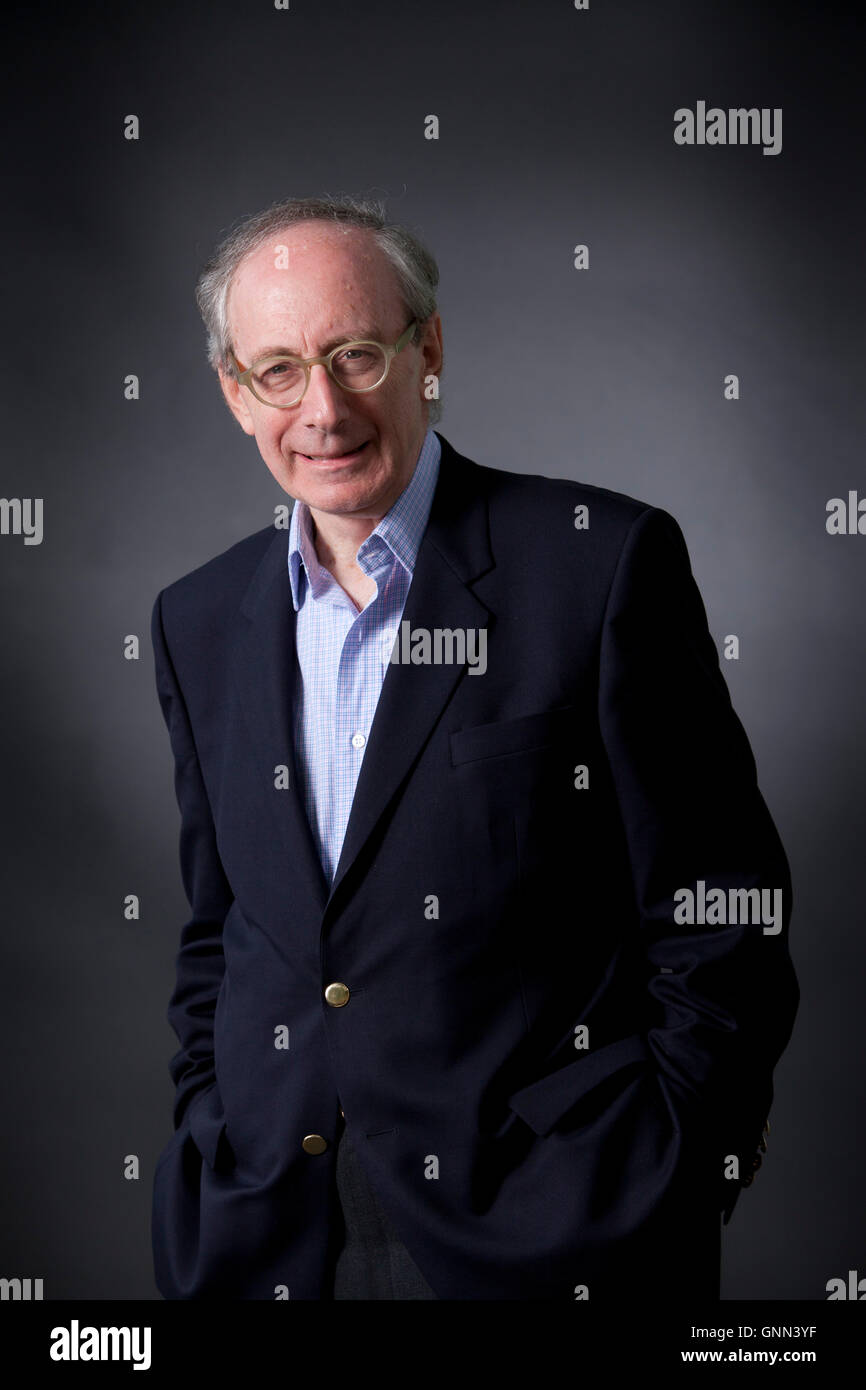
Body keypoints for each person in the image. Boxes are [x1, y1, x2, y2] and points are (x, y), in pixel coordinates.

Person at [150, 194, 799, 1301]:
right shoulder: (196, 619)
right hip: (271, 1233)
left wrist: (668, 1167)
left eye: (356, 354)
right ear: (233, 392)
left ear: (428, 350)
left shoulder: (596, 567)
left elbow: (719, 908)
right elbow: (223, 927)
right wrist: (211, 1123)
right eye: (278, 371)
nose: (322, 410)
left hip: (550, 1236)